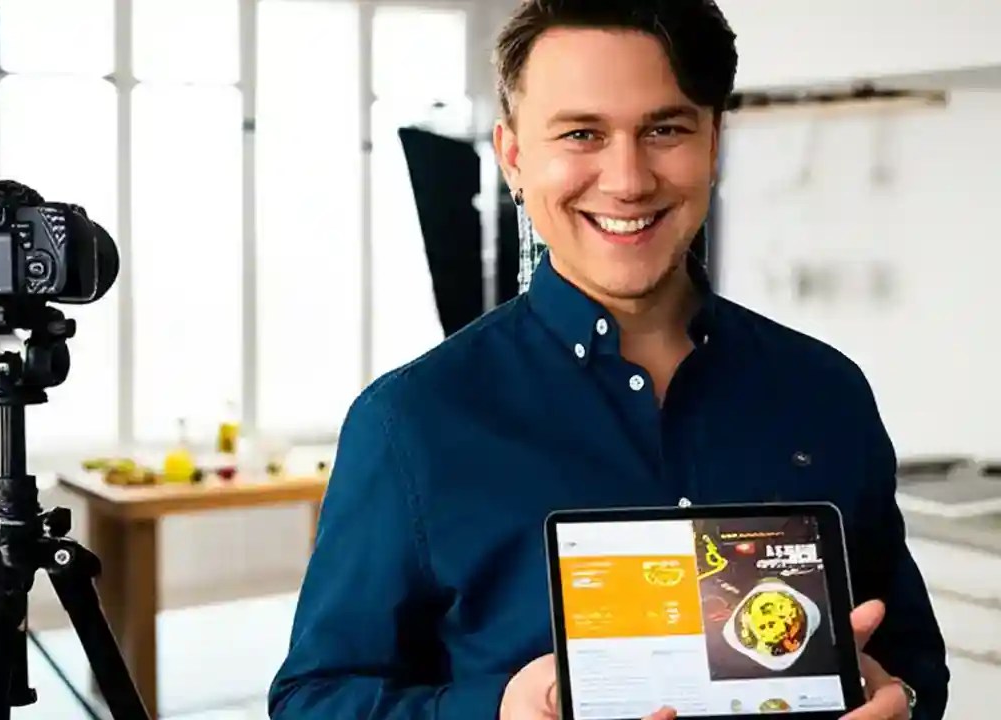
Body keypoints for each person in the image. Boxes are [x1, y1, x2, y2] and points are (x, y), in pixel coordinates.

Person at [267, 1, 950, 718]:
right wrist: (493, 712)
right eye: (582, 133)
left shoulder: (826, 392)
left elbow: (914, 665)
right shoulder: (409, 422)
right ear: (514, 158)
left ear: (714, 143)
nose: (627, 180)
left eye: (664, 129)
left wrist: (897, 695)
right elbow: (313, 701)